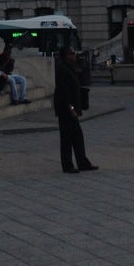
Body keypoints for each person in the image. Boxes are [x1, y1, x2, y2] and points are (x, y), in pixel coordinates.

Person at [54, 44, 98, 174]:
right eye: (72, 53)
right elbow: (64, 92)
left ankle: (82, 162)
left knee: (77, 136)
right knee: (67, 137)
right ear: (66, 56)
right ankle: (68, 165)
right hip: (66, 109)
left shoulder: (70, 67)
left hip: (70, 108)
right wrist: (71, 108)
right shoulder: (62, 69)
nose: (74, 55)